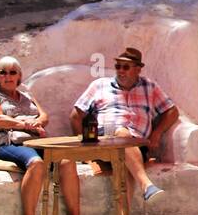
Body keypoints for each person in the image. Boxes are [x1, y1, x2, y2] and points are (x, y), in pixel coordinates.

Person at [0, 56, 84, 215]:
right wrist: (24, 124)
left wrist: (38, 121)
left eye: (13, 72)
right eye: (3, 72)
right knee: (36, 164)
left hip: (37, 141)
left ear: (19, 76)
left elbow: (43, 115)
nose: (8, 76)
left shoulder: (26, 95)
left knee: (67, 160)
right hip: (11, 143)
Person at [69, 46, 179, 204]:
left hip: (139, 146)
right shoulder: (99, 85)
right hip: (105, 143)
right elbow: (75, 116)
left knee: (125, 163)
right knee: (122, 133)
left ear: (138, 69)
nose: (120, 70)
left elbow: (172, 111)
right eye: (118, 66)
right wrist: (85, 148)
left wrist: (157, 133)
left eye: (126, 67)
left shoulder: (149, 86)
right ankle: (146, 184)